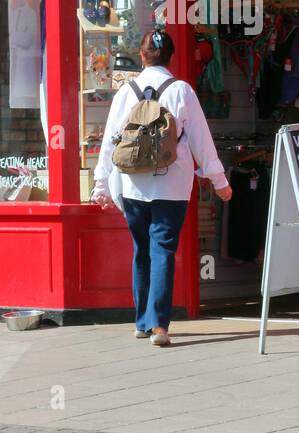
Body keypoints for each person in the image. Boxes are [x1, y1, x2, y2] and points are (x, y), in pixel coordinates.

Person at [92, 29, 232, 347]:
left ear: (142, 56)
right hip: (172, 185)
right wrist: (219, 181)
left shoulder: (126, 92)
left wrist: (101, 184)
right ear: (171, 57)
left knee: (142, 250)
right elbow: (201, 140)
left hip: (132, 185)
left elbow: (110, 142)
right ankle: (159, 327)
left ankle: (142, 322)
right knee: (163, 251)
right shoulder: (181, 90)